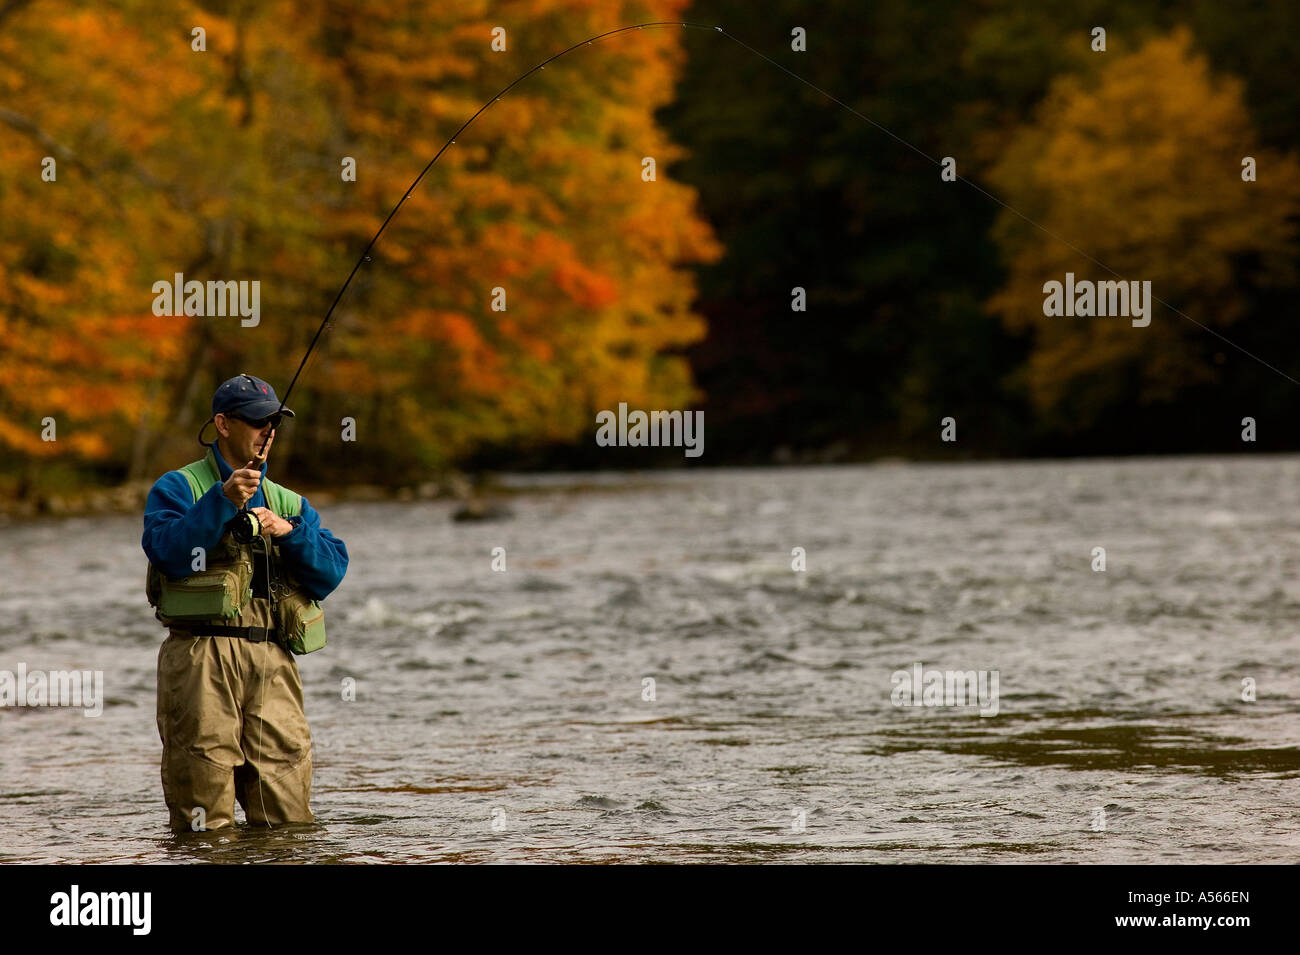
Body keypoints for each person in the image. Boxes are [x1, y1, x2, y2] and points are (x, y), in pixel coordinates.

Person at [142, 373, 348, 831]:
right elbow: (167, 552)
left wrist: (289, 532)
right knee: (203, 816)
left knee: (287, 815)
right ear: (223, 424)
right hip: (201, 656)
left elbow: (331, 572)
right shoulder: (178, 488)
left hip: (272, 657)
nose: (267, 432)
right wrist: (221, 502)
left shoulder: (289, 501)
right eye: (257, 422)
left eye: (273, 422)